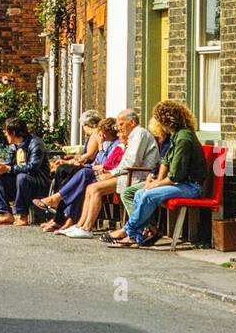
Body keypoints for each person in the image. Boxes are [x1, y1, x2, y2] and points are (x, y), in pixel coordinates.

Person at [106, 100, 207, 248]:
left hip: (191, 187)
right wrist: (153, 181)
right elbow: (165, 160)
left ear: (165, 121)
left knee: (147, 195)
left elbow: (175, 176)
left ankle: (129, 231)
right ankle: (137, 236)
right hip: (181, 184)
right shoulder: (176, 135)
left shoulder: (184, 138)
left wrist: (155, 184)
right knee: (140, 193)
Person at [58, 109, 160, 239]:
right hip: (128, 174)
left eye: (121, 124)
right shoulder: (133, 137)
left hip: (137, 176)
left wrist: (111, 173)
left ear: (132, 122)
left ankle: (87, 227)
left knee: (95, 188)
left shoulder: (139, 134)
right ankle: (81, 225)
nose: (118, 129)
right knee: (90, 187)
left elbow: (131, 162)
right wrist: (111, 172)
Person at [35, 117, 121, 232]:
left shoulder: (115, 144)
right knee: (63, 171)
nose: (101, 136)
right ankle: (62, 218)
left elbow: (104, 164)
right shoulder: (107, 143)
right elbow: (98, 162)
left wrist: (99, 148)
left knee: (80, 175)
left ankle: (60, 209)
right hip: (95, 169)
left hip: (104, 174)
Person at [0, 117, 51, 227]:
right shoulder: (13, 146)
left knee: (22, 177)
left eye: (6, 132)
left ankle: (23, 216)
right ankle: (5, 214)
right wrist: (0, 167)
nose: (5, 135)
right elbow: (9, 164)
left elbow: (33, 167)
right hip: (20, 184)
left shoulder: (35, 143)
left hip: (38, 184)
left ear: (12, 133)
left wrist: (8, 169)